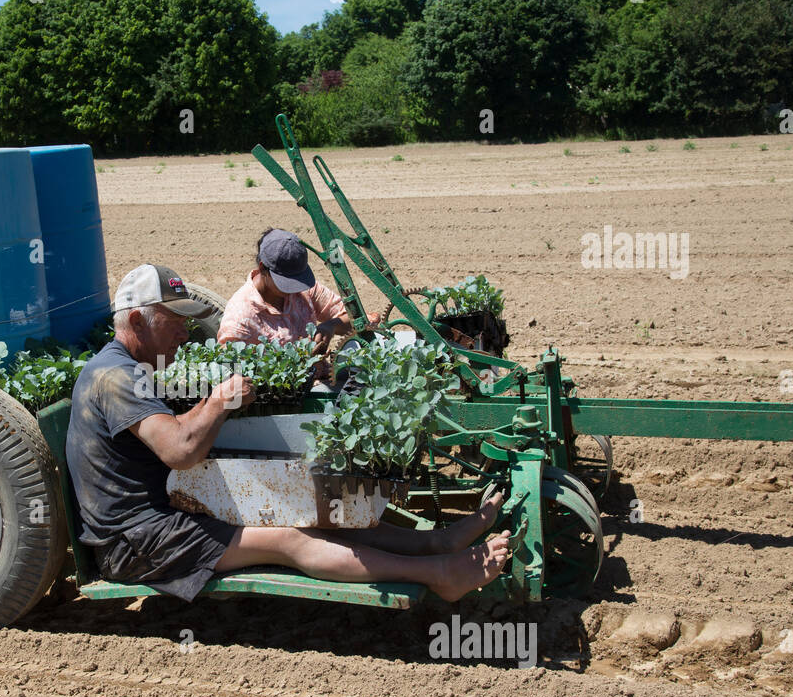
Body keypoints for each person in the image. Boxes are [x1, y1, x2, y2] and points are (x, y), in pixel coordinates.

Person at [65, 262, 510, 604]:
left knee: (310, 510)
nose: (184, 330)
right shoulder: (115, 377)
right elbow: (180, 450)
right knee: (286, 535)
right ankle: (439, 574)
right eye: (174, 319)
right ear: (138, 322)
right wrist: (220, 401)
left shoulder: (136, 367)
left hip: (168, 512)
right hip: (139, 540)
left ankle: (436, 542)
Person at [216, 227, 382, 353]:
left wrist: (332, 326)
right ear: (263, 269)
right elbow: (233, 380)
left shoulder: (304, 290)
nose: (293, 289)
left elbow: (360, 319)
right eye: (285, 283)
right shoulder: (239, 319)